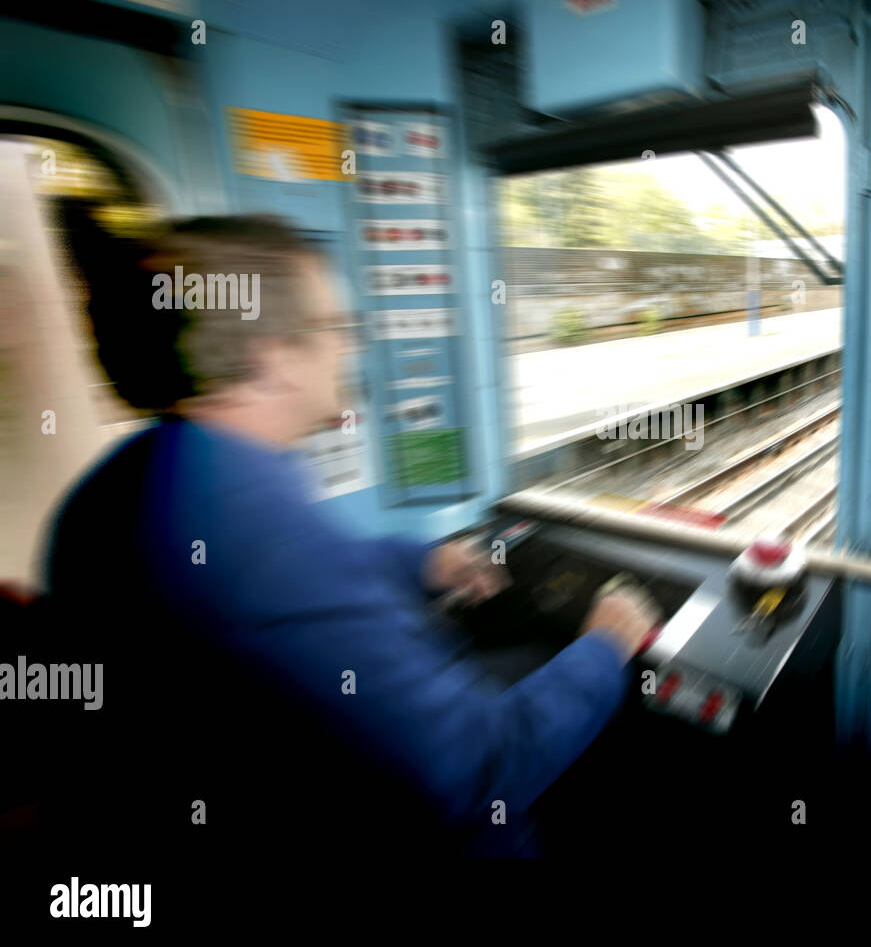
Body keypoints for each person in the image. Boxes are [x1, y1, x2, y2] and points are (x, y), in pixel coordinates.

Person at [40, 212, 659, 855]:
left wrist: (421, 562)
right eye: (335, 328)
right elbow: (480, 769)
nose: (351, 348)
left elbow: (306, 582)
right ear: (273, 360)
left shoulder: (125, 483)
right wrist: (605, 647)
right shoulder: (255, 524)